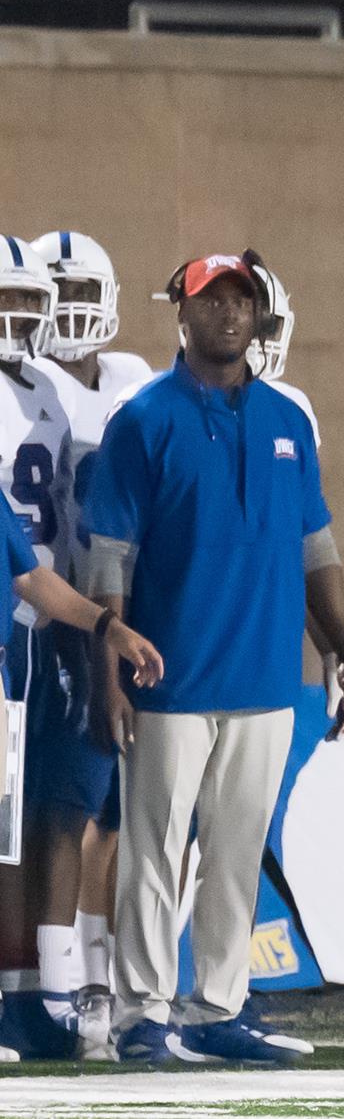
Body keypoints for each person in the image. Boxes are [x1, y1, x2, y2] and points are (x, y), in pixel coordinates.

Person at [83, 251, 344, 1065]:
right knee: (154, 851)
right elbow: (109, 556)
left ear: (259, 314)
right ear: (182, 312)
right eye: (212, 301)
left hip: (266, 675)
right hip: (167, 677)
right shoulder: (143, 419)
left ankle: (216, 1004)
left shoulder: (287, 420)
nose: (229, 314)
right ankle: (143, 1011)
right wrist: (111, 667)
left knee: (239, 848)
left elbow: (317, 545)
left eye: (241, 300)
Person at [27, 230, 155, 1056]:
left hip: (124, 613)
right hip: (52, 620)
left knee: (120, 813)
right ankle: (56, 982)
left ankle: (103, 980)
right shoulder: (27, 384)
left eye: (84, 295)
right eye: (55, 296)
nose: (72, 316)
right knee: (60, 809)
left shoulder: (137, 382)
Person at [0, 236, 84, 1060]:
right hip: (12, 613)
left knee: (18, 820)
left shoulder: (51, 393)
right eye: (7, 298)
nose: (19, 316)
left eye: (29, 300)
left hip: (35, 623)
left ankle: (24, 991)